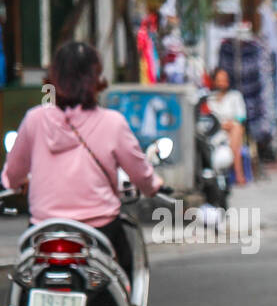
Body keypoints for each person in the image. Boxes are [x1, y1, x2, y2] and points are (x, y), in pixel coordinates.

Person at [1, 40, 163, 284]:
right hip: (99, 232)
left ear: (53, 77)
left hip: (43, 232)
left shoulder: (34, 120)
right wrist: (153, 186)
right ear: (95, 78)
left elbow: (12, 175)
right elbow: (141, 174)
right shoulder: (113, 123)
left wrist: (17, 182)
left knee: (25, 283)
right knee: (125, 275)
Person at [208, 67, 248, 185]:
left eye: (224, 79)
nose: (222, 83)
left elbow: (241, 116)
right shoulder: (209, 98)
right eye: (219, 80)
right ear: (214, 81)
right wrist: (220, 125)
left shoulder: (235, 96)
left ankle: (238, 173)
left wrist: (229, 124)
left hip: (231, 131)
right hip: (214, 131)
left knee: (236, 128)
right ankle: (237, 173)